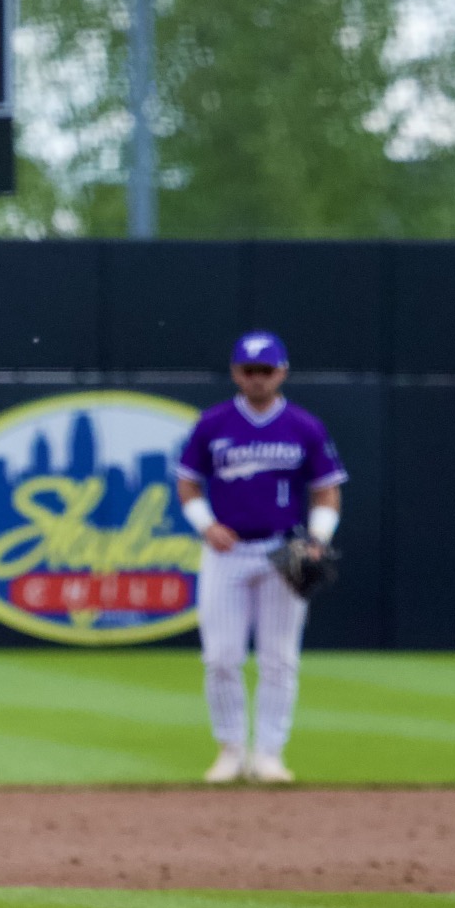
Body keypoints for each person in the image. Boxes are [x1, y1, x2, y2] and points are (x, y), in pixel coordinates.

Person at [174, 332, 345, 784]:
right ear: (235, 373)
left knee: (279, 659)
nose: (256, 378)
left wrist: (318, 537)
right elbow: (188, 480)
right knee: (221, 657)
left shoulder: (304, 426)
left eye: (265, 370)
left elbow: (326, 488)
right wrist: (205, 524)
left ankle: (269, 754)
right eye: (248, 370)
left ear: (282, 372)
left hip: (283, 549)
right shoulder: (213, 423)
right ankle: (230, 750)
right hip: (226, 552)